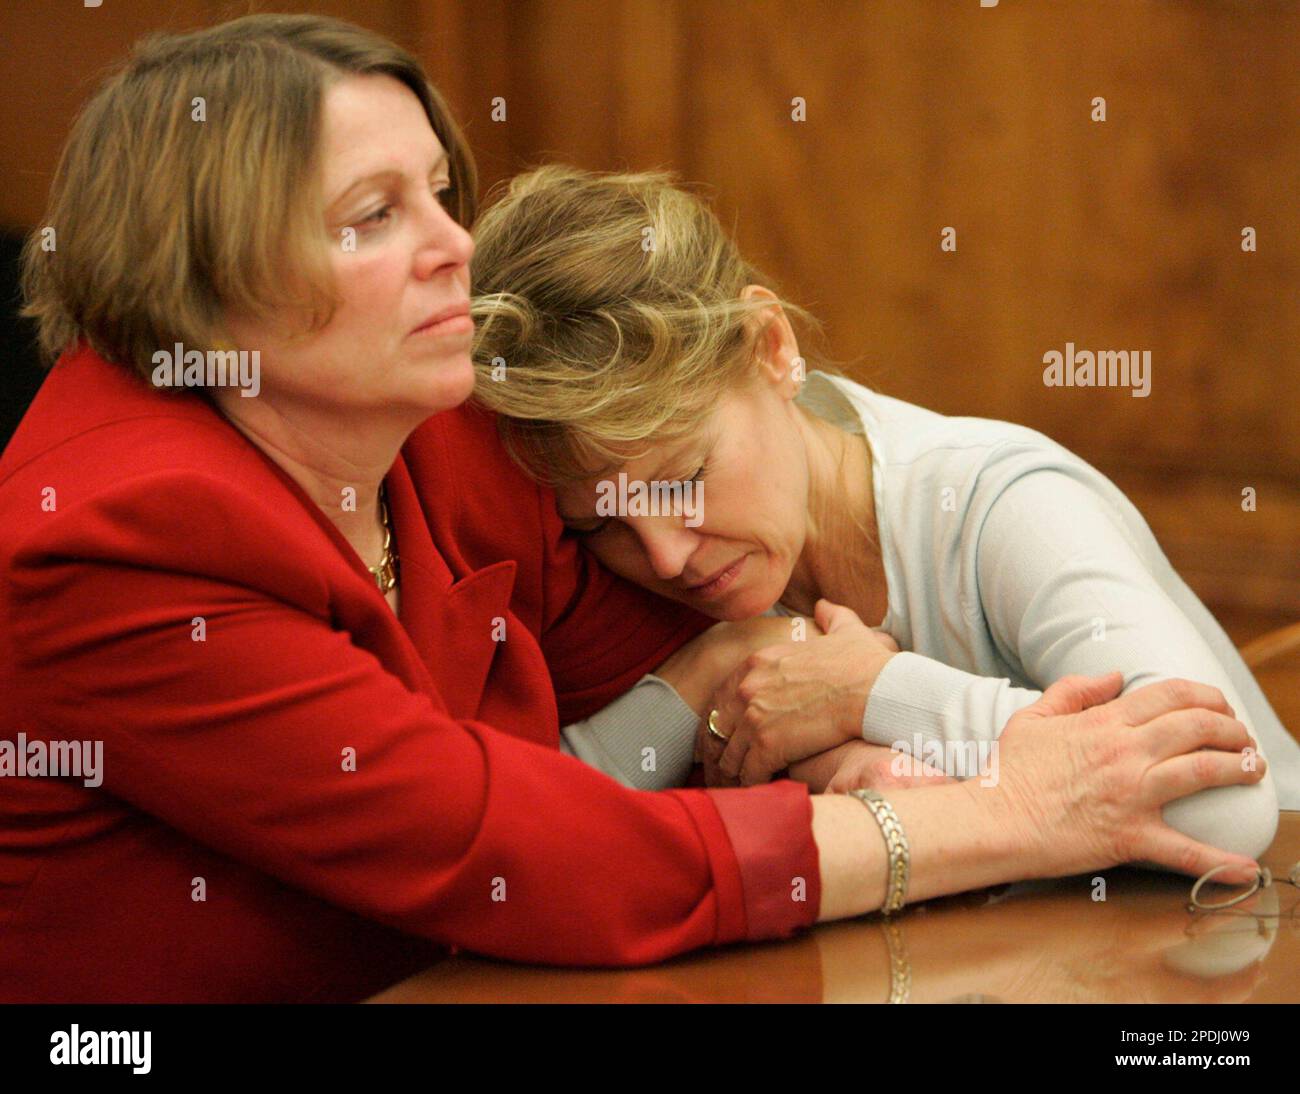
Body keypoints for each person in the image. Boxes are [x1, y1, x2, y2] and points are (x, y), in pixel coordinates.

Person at [0, 14, 1267, 1004]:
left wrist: (814, 711)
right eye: (373, 217)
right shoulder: (121, 533)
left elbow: (734, 675)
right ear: (207, 284)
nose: (455, 247)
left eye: (442, 192)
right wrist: (996, 810)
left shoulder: (435, 417)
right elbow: (523, 839)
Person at [468, 164, 1298, 858]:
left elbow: (1224, 805)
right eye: (602, 521)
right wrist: (707, 673)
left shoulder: (999, 503)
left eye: (684, 476)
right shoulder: (651, 582)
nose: (666, 558)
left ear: (771, 348)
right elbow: (525, 841)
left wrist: (874, 694)